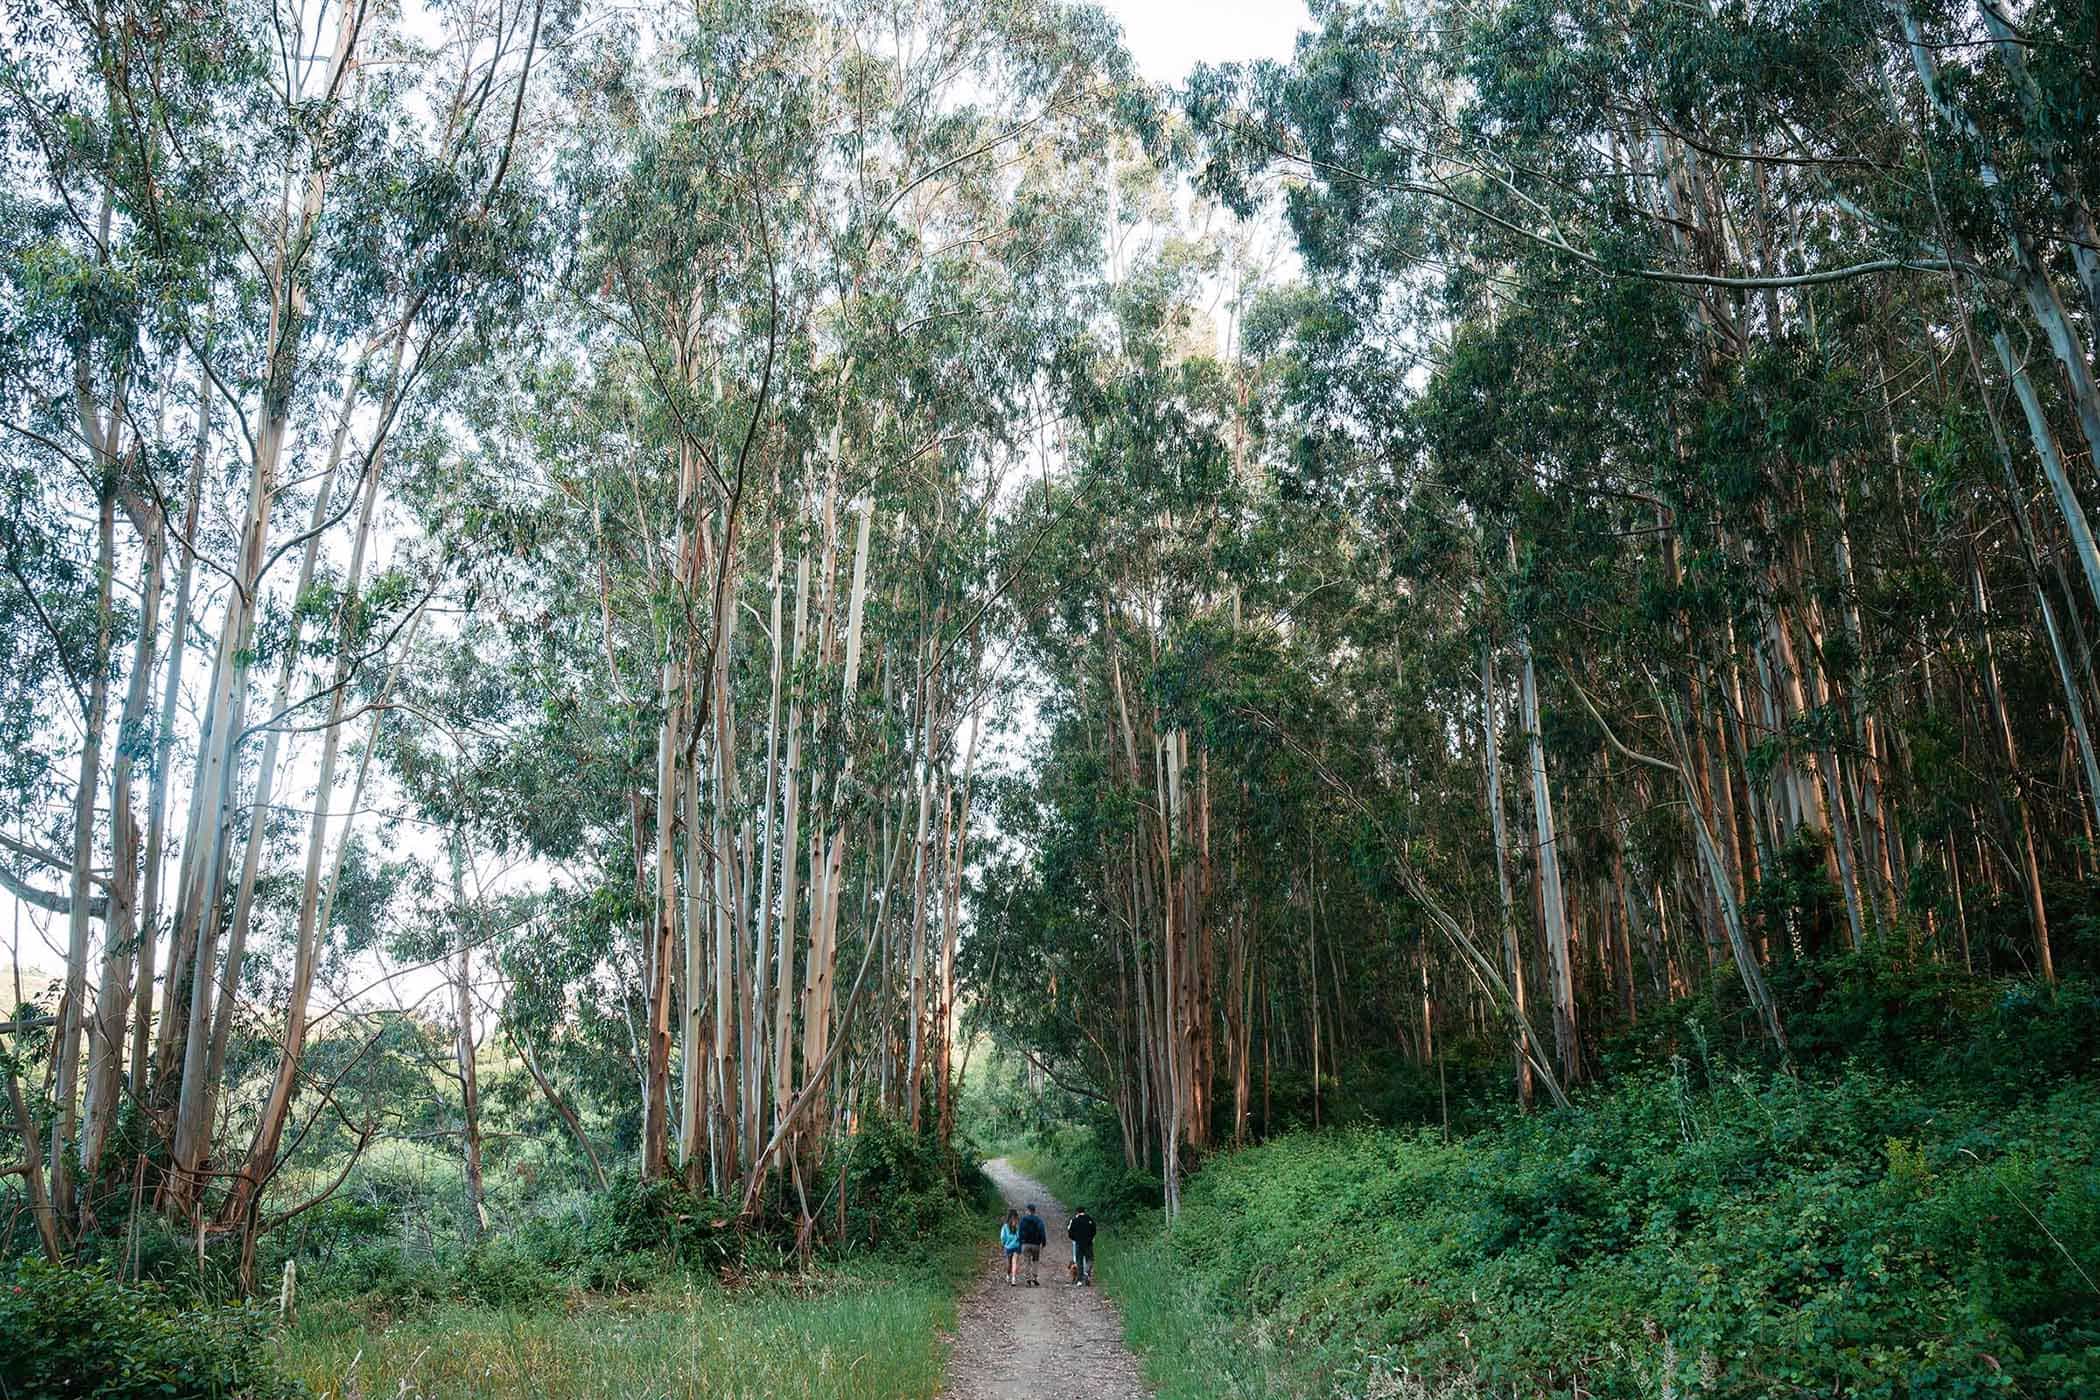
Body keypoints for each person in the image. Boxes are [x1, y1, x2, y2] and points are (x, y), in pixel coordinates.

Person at [1018, 1202, 1048, 1285]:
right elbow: (1042, 1231)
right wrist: (1043, 1242)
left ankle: (1028, 1278)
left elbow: (1020, 1232)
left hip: (1025, 1244)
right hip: (1036, 1244)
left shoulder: (1023, 1220)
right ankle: (1034, 1277)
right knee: (1035, 1260)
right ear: (1034, 1211)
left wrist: (1020, 1242)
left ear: (1028, 1210)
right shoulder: (1038, 1220)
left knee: (1027, 1261)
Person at [1067, 1205, 1097, 1285]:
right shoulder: (1089, 1219)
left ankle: (1079, 1279)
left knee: (1079, 1261)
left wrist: (1075, 1238)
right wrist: (1090, 1238)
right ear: (1084, 1211)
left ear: (1077, 1212)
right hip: (1088, 1243)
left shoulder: (1074, 1220)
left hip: (1078, 1243)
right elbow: (1094, 1230)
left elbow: (1070, 1232)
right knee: (1090, 1259)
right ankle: (1087, 1272)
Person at [1000, 1209, 1022, 1286]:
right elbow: (1020, 1236)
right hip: (1016, 1246)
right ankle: (1013, 1279)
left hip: (1008, 1247)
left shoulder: (1005, 1226)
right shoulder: (1017, 1226)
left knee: (1009, 1262)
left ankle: (1008, 1276)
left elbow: (1002, 1237)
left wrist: (1003, 1244)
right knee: (1014, 1262)